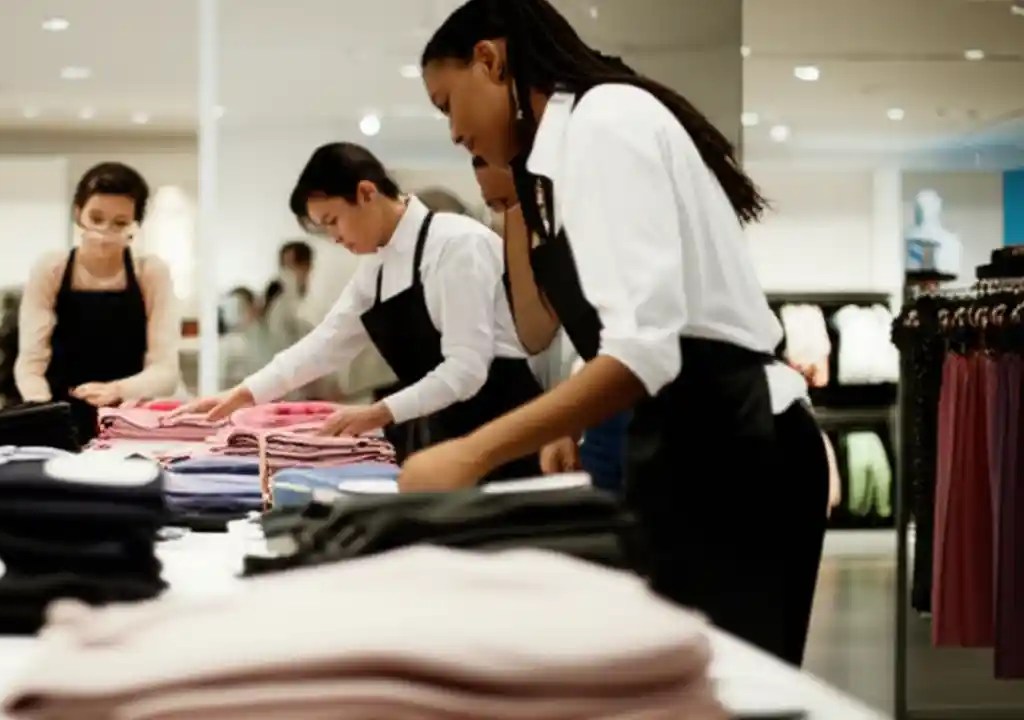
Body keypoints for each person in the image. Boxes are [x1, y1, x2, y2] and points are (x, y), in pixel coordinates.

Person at [405, 0, 827, 667]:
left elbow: (645, 348)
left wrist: (473, 454)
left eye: (446, 102)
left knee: (727, 690)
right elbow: (629, 321)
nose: (453, 131)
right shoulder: (568, 148)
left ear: (490, 59)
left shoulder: (605, 123)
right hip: (690, 434)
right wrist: (570, 417)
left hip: (737, 438)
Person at [179, 142, 542, 481]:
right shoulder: (377, 264)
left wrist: (376, 413)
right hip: (444, 429)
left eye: (333, 221)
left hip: (505, 428)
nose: (334, 237)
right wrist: (242, 394)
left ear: (367, 193)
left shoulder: (458, 244)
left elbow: (467, 369)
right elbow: (327, 342)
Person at [471, 155, 632, 493]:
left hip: (639, 409)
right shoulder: (529, 239)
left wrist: (471, 454)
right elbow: (535, 332)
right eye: (495, 206)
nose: (456, 131)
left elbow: (618, 344)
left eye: (506, 202)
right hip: (591, 411)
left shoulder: (591, 228)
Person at [15, 162, 180, 442]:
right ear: (78, 214)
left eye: (119, 223)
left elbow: (165, 372)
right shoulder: (51, 269)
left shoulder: (149, 273)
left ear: (135, 225)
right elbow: (30, 365)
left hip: (130, 420)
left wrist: (117, 390)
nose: (105, 232)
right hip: (57, 414)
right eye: (97, 218)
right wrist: (44, 414)